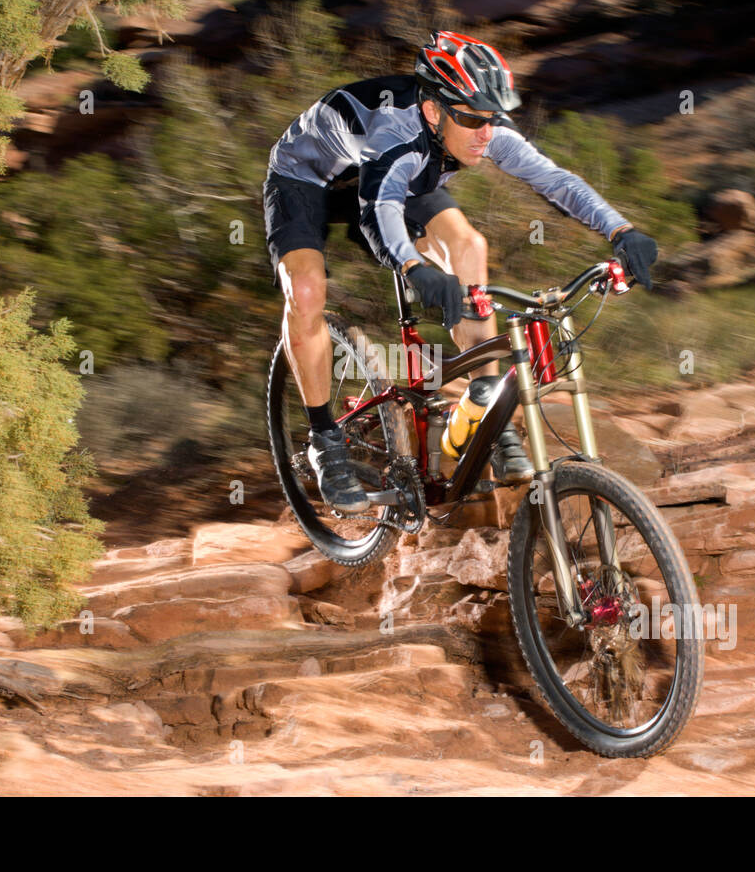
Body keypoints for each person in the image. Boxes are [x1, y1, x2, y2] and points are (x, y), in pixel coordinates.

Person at [264, 30, 658, 513]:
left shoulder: (478, 128)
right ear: (433, 110)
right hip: (308, 180)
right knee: (305, 288)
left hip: (401, 176)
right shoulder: (397, 133)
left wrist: (621, 231)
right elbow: (378, 211)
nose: (485, 133)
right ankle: (324, 438)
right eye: (472, 119)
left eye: (492, 119)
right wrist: (413, 266)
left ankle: (486, 406)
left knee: (470, 246)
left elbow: (555, 179)